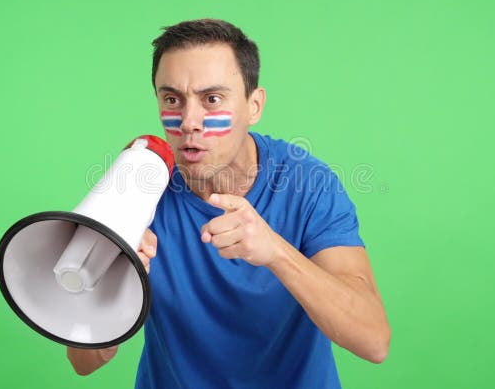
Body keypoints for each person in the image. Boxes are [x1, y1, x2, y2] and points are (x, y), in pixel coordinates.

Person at [67, 19, 390, 388]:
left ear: (254, 106)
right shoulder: (138, 188)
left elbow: (374, 340)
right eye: (172, 99)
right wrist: (116, 285)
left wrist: (276, 252)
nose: (189, 122)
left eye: (212, 99)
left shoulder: (309, 185)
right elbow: (82, 361)